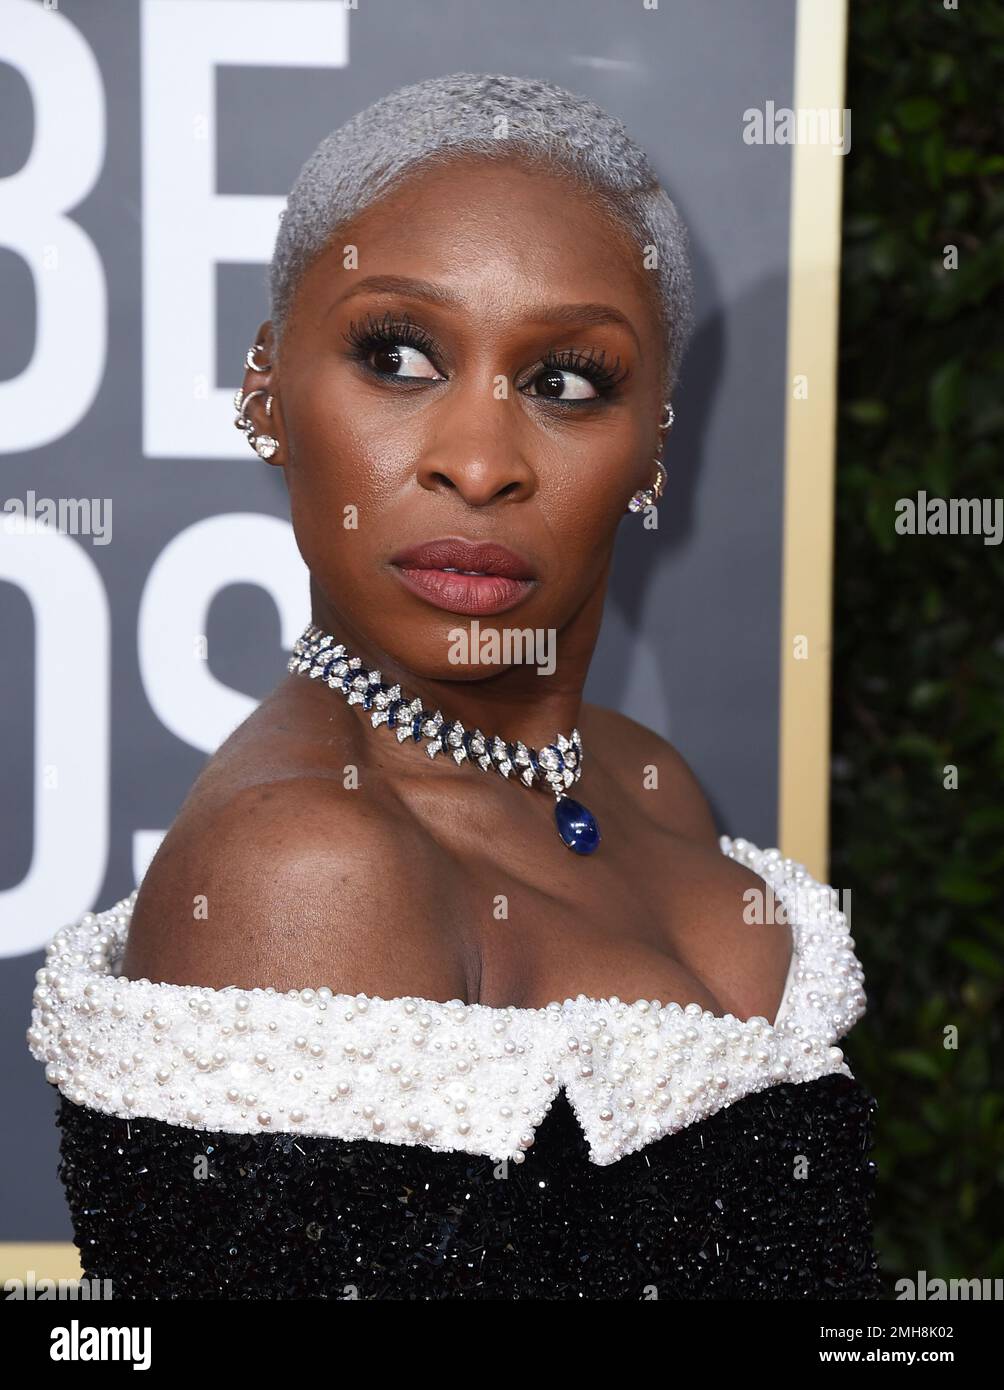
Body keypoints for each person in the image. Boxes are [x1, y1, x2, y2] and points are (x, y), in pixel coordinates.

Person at [27, 71, 881, 1299]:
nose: (479, 464)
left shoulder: (645, 781)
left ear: (652, 440)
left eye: (566, 382)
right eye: (399, 355)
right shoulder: (307, 865)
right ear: (267, 392)